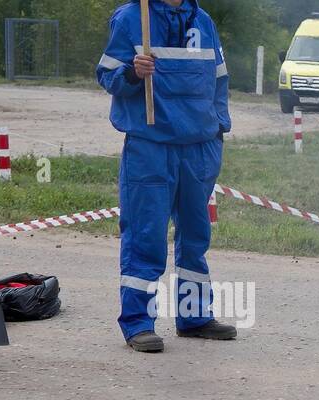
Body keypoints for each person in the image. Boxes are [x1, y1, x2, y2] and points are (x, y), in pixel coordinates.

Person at [96, 0, 235, 353]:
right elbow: (106, 74)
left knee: (195, 235)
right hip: (151, 145)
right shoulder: (131, 18)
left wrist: (219, 127)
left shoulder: (202, 21)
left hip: (199, 147)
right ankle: (138, 323)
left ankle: (194, 316)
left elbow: (219, 80)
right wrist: (131, 73)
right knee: (146, 235)